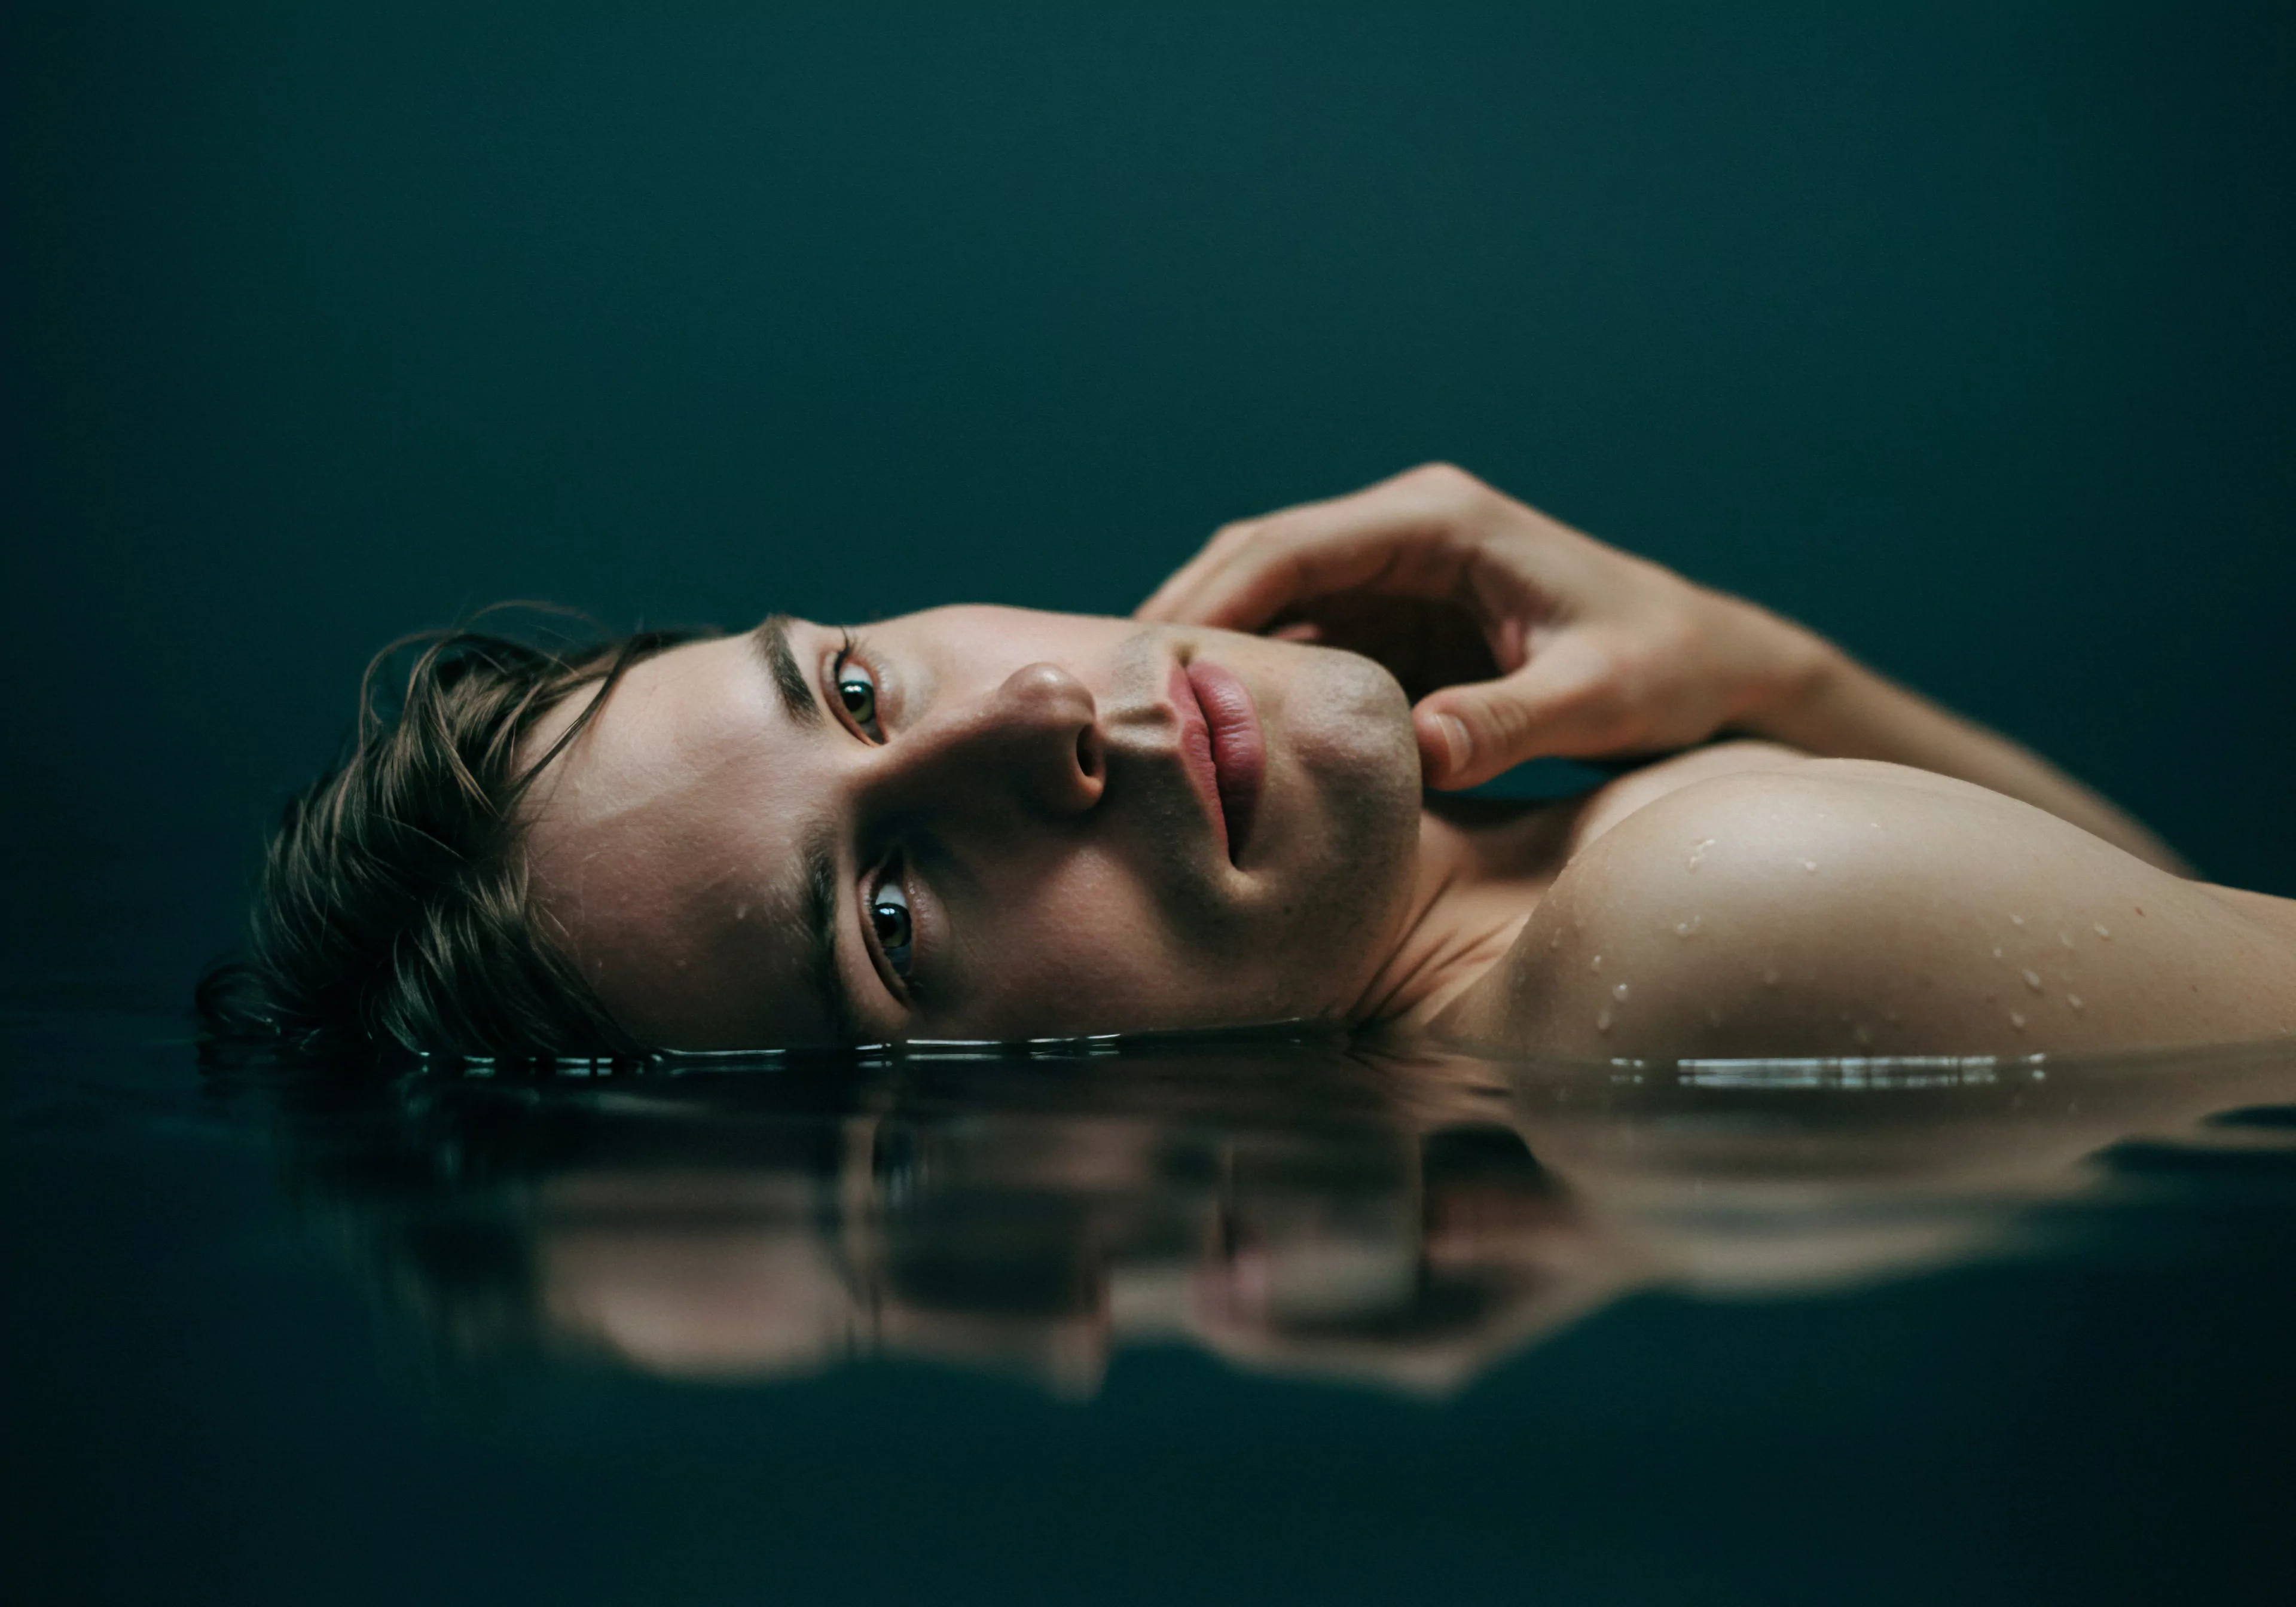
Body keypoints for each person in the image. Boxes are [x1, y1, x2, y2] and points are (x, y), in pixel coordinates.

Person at [200, 465, 2296, 1062]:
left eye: (853, 691)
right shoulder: (1710, 918)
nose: (1038, 728)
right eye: (894, 911)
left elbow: (2180, 1014)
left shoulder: (1643, 911)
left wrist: (1777, 675)